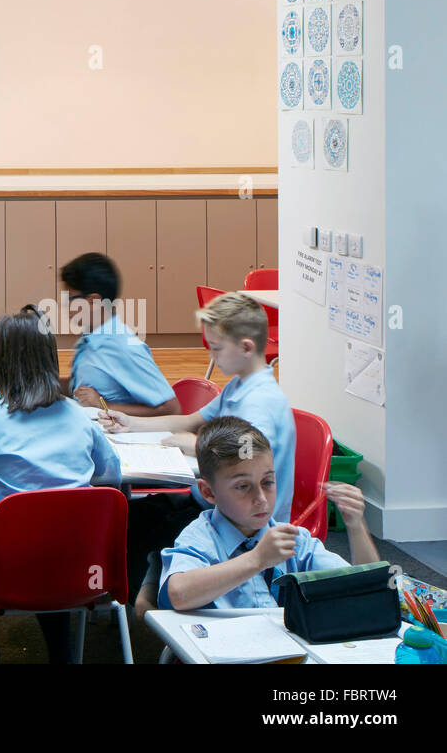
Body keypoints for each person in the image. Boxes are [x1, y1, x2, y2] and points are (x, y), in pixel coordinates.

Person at [0, 306, 121, 663]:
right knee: (57, 538)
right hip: (77, 564)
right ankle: (62, 655)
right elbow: (111, 479)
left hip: (8, 569)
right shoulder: (79, 417)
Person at [102, 290, 296, 599]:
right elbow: (192, 419)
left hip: (237, 514)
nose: (212, 358)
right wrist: (132, 422)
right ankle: (141, 593)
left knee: (133, 525)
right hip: (217, 500)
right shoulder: (241, 385)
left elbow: (246, 459)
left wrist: (193, 444)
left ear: (246, 347)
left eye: (217, 349)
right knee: (133, 517)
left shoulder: (259, 402)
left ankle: (132, 603)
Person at [155, 416, 377, 611]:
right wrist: (257, 559)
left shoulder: (293, 541)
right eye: (243, 486)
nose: (261, 498)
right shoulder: (201, 537)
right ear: (208, 492)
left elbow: (367, 589)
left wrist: (357, 527)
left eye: (268, 482)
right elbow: (178, 594)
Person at [60, 252, 179, 417]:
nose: (65, 304)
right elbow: (80, 390)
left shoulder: (121, 345)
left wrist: (104, 405)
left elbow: (171, 409)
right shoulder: (91, 338)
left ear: (93, 300)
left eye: (70, 297)